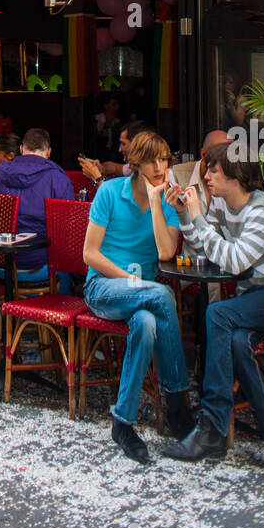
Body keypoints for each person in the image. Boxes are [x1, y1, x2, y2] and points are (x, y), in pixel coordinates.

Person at [162, 141, 264, 488]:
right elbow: (202, 249)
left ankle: (211, 426)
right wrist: (186, 214)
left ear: (236, 174)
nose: (207, 176)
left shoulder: (263, 210)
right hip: (251, 302)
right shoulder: (222, 206)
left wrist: (198, 217)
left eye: (213, 170)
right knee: (238, 343)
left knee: (217, 313)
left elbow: (234, 262)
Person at [82, 129, 193, 465]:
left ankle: (123, 422)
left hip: (143, 297)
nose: (160, 166)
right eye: (151, 160)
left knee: (146, 323)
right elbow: (90, 254)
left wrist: (159, 203)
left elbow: (164, 251)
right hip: (104, 286)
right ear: (136, 162)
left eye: (164, 159)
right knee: (161, 296)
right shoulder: (110, 192)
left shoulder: (169, 201)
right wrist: (131, 280)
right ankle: (177, 405)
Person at [0, 128, 73, 284]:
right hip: (40, 267)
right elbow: (67, 231)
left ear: (21, 149)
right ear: (48, 152)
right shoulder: (59, 179)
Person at [78, 119, 151, 186]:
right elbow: (114, 168)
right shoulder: (135, 167)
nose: (120, 149)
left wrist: (96, 177)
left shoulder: (149, 174)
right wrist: (101, 168)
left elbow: (112, 199)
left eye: (123, 144)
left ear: (138, 145)